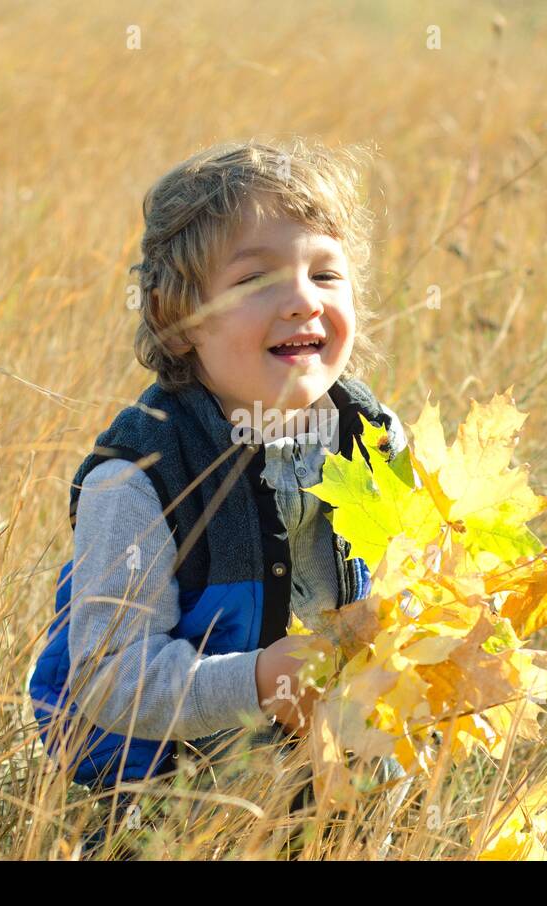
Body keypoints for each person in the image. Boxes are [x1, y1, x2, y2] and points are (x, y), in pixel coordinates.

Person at [29, 137, 412, 859]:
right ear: (181, 317)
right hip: (181, 816)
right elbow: (109, 677)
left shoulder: (374, 437)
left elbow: (413, 583)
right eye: (257, 280)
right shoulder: (143, 477)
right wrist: (261, 679)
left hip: (345, 802)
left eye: (326, 273)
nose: (303, 300)